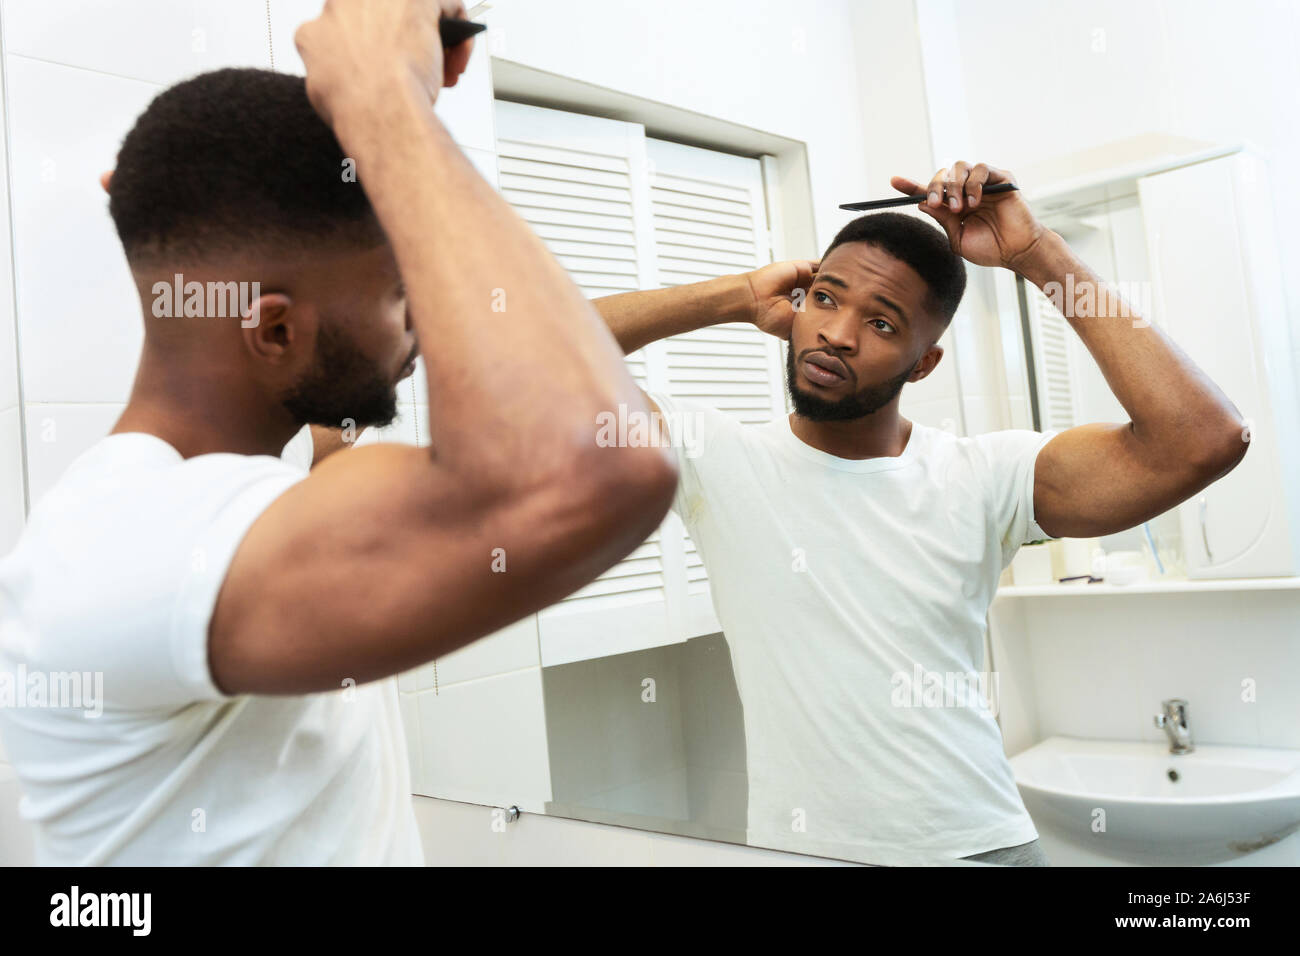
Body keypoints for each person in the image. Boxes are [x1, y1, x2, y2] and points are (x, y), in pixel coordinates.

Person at [0, 0, 676, 865]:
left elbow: (544, 384)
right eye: (403, 297)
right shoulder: (131, 543)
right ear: (276, 332)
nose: (424, 330)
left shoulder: (243, 499)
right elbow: (591, 464)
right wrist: (383, 101)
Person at [591, 163, 1248, 864]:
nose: (838, 334)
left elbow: (1203, 440)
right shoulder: (715, 459)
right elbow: (533, 362)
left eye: (880, 322)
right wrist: (734, 295)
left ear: (924, 363)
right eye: (823, 298)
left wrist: (1035, 254)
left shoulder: (986, 477)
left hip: (979, 848)